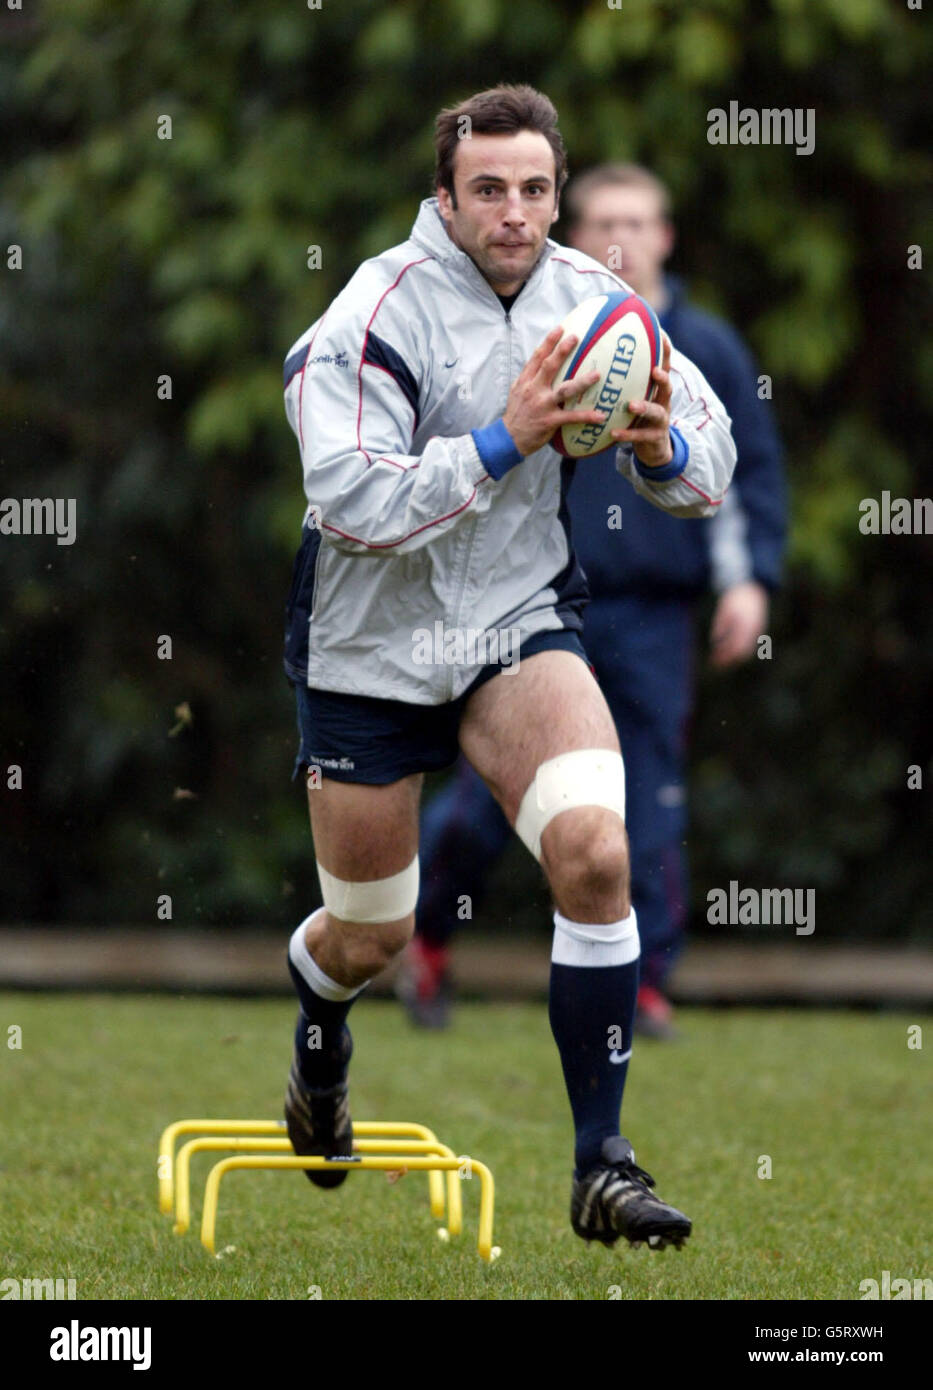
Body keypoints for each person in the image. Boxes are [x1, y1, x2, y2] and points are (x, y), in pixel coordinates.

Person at [281, 86, 736, 1250]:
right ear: (446, 196)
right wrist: (502, 439)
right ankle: (320, 1033)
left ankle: (603, 1165)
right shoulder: (372, 309)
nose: (517, 212)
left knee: (597, 851)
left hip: (514, 624)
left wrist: (663, 443)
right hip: (370, 645)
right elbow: (349, 498)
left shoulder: (597, 300)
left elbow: (713, 461)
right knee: (367, 937)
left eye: (536, 189)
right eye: (489, 188)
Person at [401, 163, 786, 1037]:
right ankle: (424, 939)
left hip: (653, 613)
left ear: (665, 237)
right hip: (535, 605)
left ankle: (642, 982)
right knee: (494, 796)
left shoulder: (706, 350)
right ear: (578, 231)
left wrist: (748, 581)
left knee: (646, 796)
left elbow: (746, 472)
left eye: (638, 222)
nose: (622, 237)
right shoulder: (539, 331)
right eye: (603, 220)